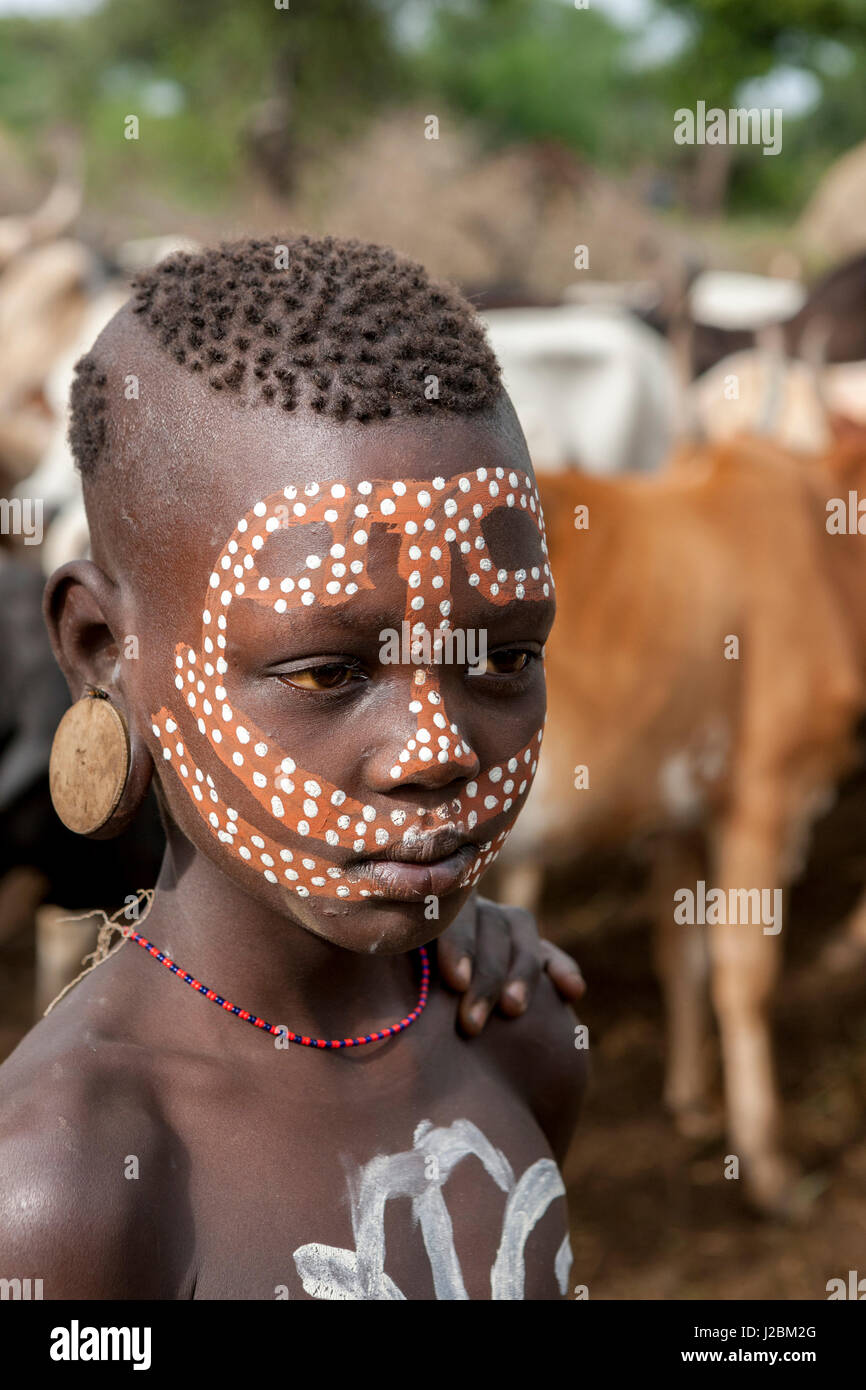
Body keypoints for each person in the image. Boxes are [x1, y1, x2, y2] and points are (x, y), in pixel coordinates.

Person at [0, 235, 587, 1300]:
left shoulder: (522, 1037)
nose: (435, 751)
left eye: (501, 658)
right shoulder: (66, 1192)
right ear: (101, 648)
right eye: (326, 671)